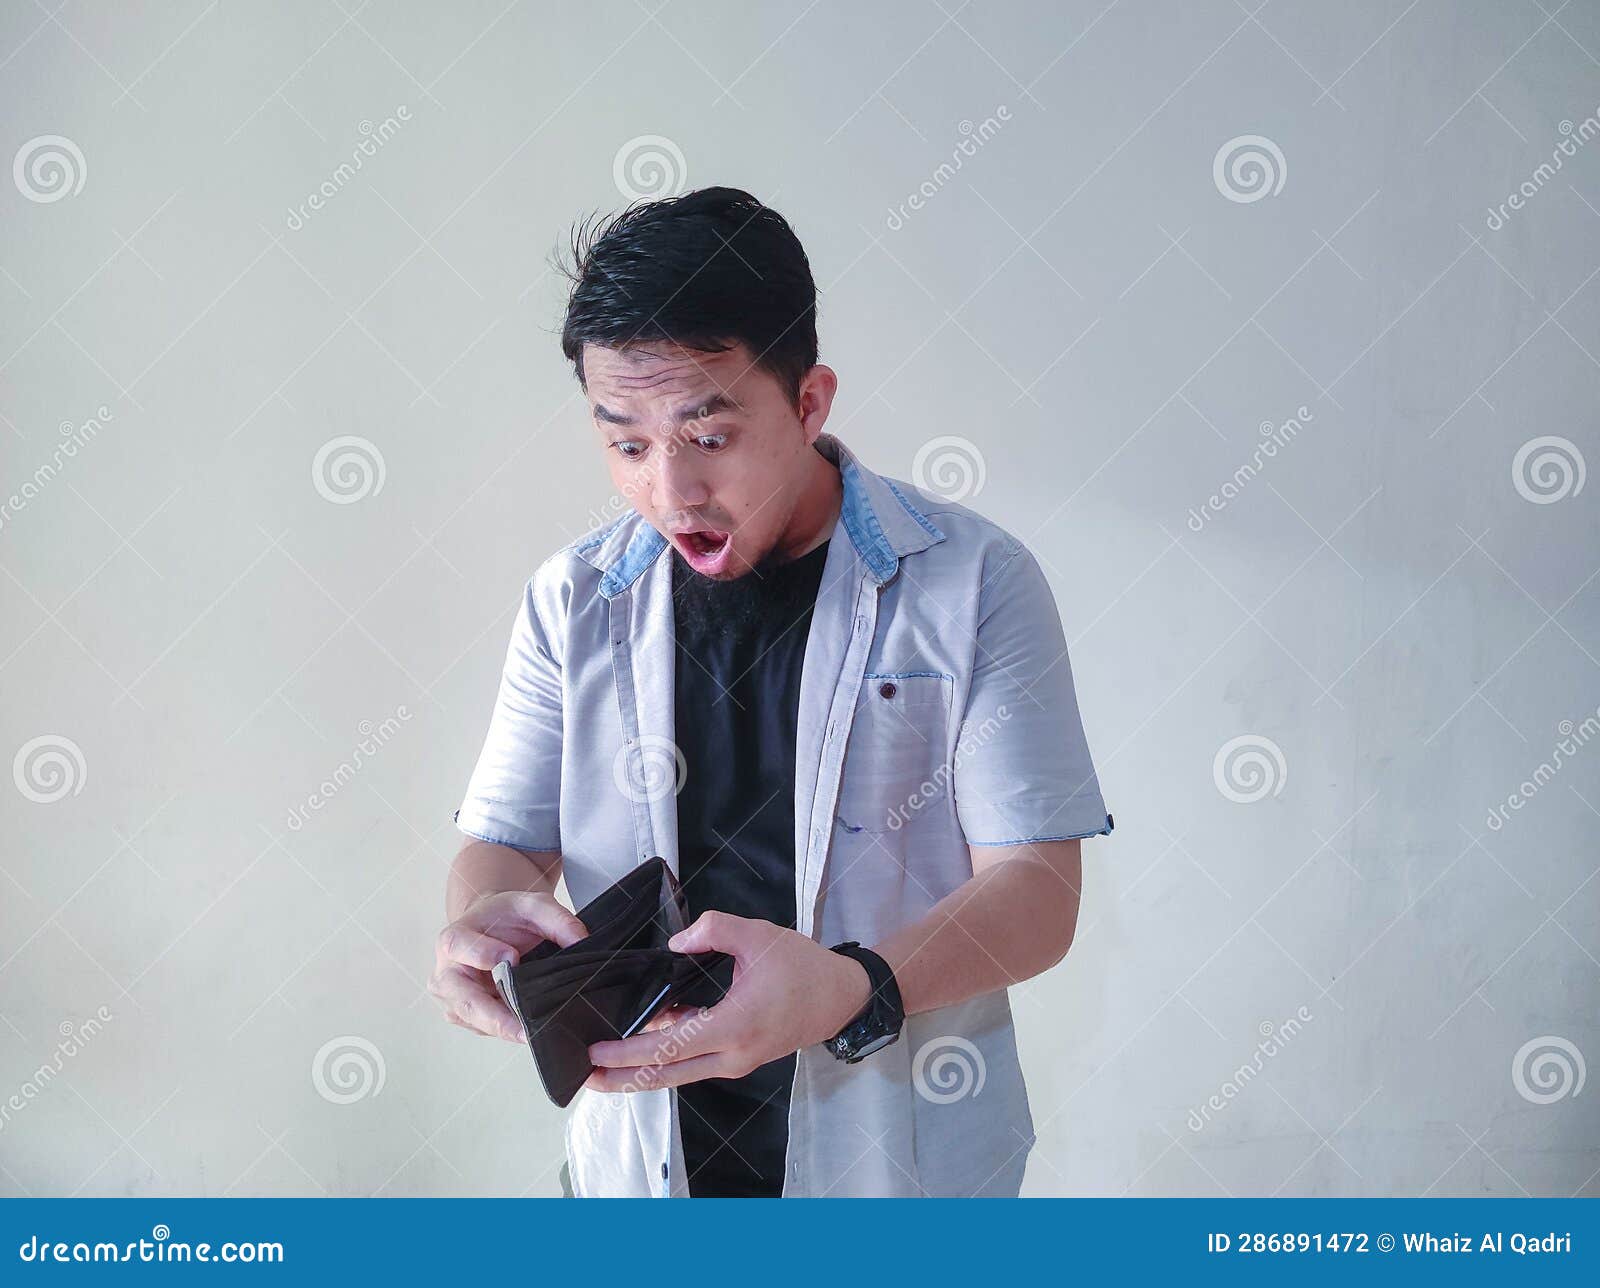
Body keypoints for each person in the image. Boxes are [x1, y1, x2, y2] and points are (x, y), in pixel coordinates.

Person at [429, 187, 1114, 1198]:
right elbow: (506, 838)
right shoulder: (570, 601)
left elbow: (1037, 896)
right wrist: (483, 913)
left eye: (708, 435)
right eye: (625, 442)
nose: (671, 490)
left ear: (807, 401)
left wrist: (846, 987)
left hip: (898, 1172)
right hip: (637, 1167)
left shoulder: (973, 582)